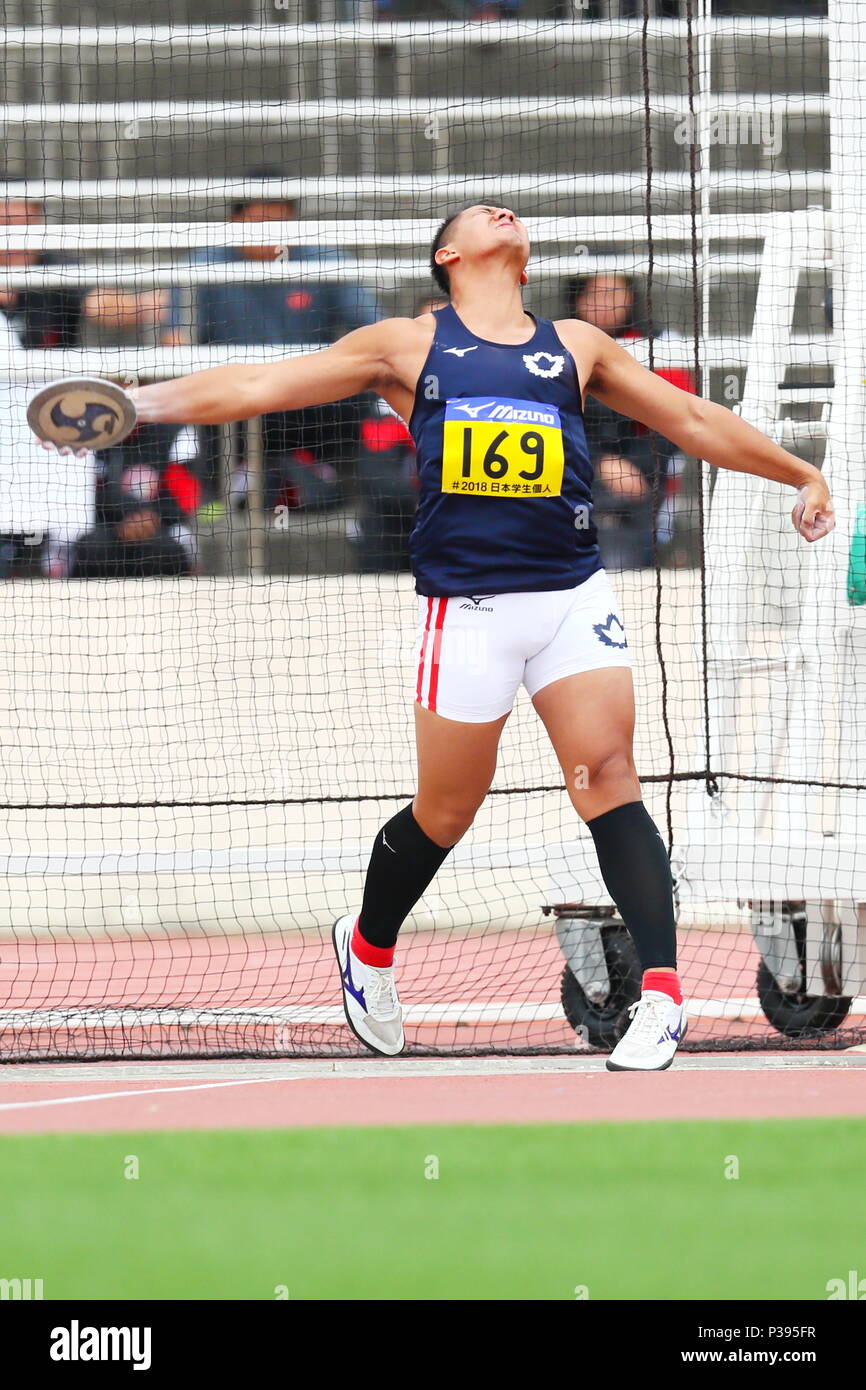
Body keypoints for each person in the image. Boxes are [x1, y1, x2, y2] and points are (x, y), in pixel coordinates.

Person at [40, 204, 834, 1071]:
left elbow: (692, 422)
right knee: (448, 809)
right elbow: (261, 383)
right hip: (467, 608)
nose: (505, 212)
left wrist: (799, 470)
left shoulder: (575, 344)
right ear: (449, 253)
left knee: (608, 777)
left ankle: (662, 997)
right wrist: (134, 404)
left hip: (569, 593)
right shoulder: (407, 345)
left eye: (513, 212)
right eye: (480, 212)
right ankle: (369, 945)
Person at [161, 171, 382, 515]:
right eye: (260, 221)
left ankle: (340, 488)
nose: (271, 235)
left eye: (281, 222)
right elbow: (177, 340)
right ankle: (234, 487)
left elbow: (374, 328)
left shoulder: (325, 259)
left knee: (368, 391)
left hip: (311, 395)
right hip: (234, 398)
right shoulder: (202, 265)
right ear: (235, 220)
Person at [568, 272, 694, 568]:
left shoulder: (658, 344)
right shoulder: (556, 340)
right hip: (571, 464)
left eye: (615, 293)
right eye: (594, 294)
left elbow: (675, 421)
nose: (605, 303)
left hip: (643, 469)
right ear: (577, 299)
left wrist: (629, 466)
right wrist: (599, 461)